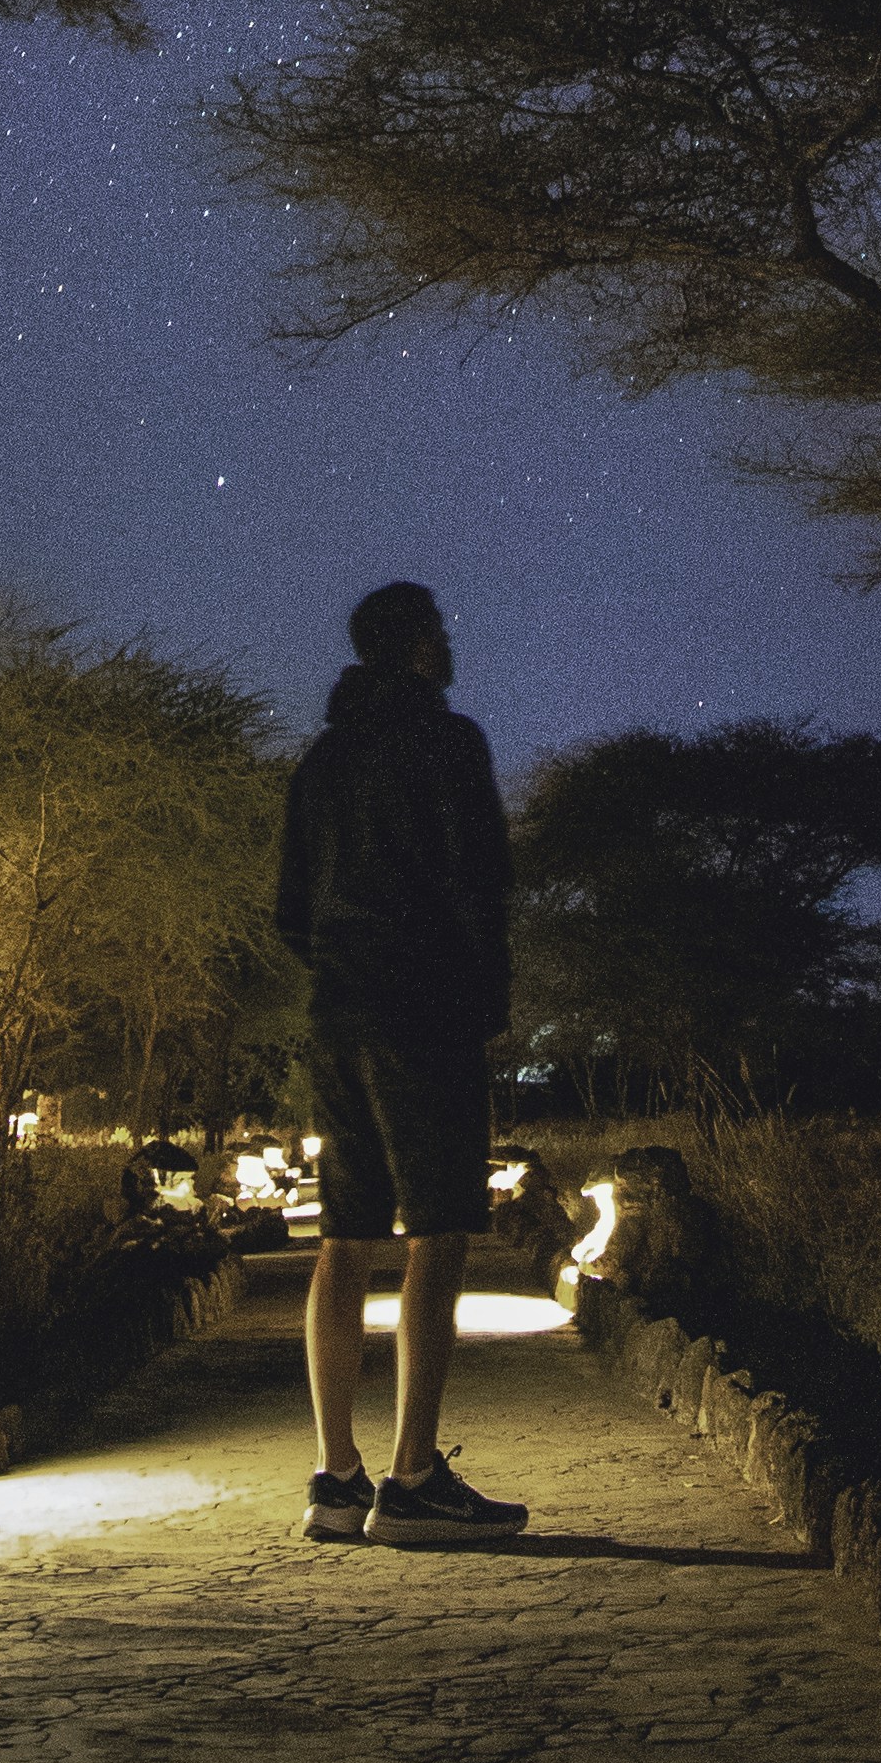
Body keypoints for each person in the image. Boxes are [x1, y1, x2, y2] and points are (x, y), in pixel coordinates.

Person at [276, 580, 530, 1549]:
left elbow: (290, 910)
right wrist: (481, 998)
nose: (448, 643)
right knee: (440, 1229)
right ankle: (414, 1476)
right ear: (415, 645)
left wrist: (347, 965)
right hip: (424, 1013)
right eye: (438, 630)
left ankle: (336, 1479)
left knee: (345, 1234)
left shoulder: (320, 763)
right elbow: (480, 882)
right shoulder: (448, 743)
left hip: (337, 1013)